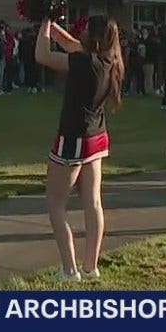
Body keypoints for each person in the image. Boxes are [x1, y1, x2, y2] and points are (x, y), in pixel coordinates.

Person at [36, 15, 123, 281]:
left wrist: (41, 25)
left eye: (86, 29)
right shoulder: (111, 60)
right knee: (93, 202)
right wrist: (49, 20)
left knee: (55, 204)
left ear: (94, 37)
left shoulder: (85, 63)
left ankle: (69, 270)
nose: (81, 31)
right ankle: (90, 266)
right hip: (96, 137)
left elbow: (42, 55)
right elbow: (69, 43)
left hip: (74, 138)